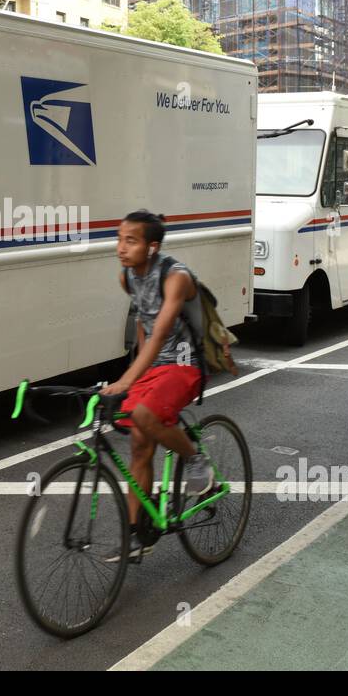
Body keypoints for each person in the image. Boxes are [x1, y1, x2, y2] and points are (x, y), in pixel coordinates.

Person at [102, 210, 213, 559]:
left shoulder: (175, 277)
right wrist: (135, 370)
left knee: (145, 417)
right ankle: (140, 534)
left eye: (130, 241)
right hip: (153, 366)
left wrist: (126, 379)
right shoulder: (128, 277)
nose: (121, 247)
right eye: (119, 239)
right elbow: (143, 325)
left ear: (152, 247)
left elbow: (161, 331)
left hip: (183, 365)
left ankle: (196, 460)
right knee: (138, 443)